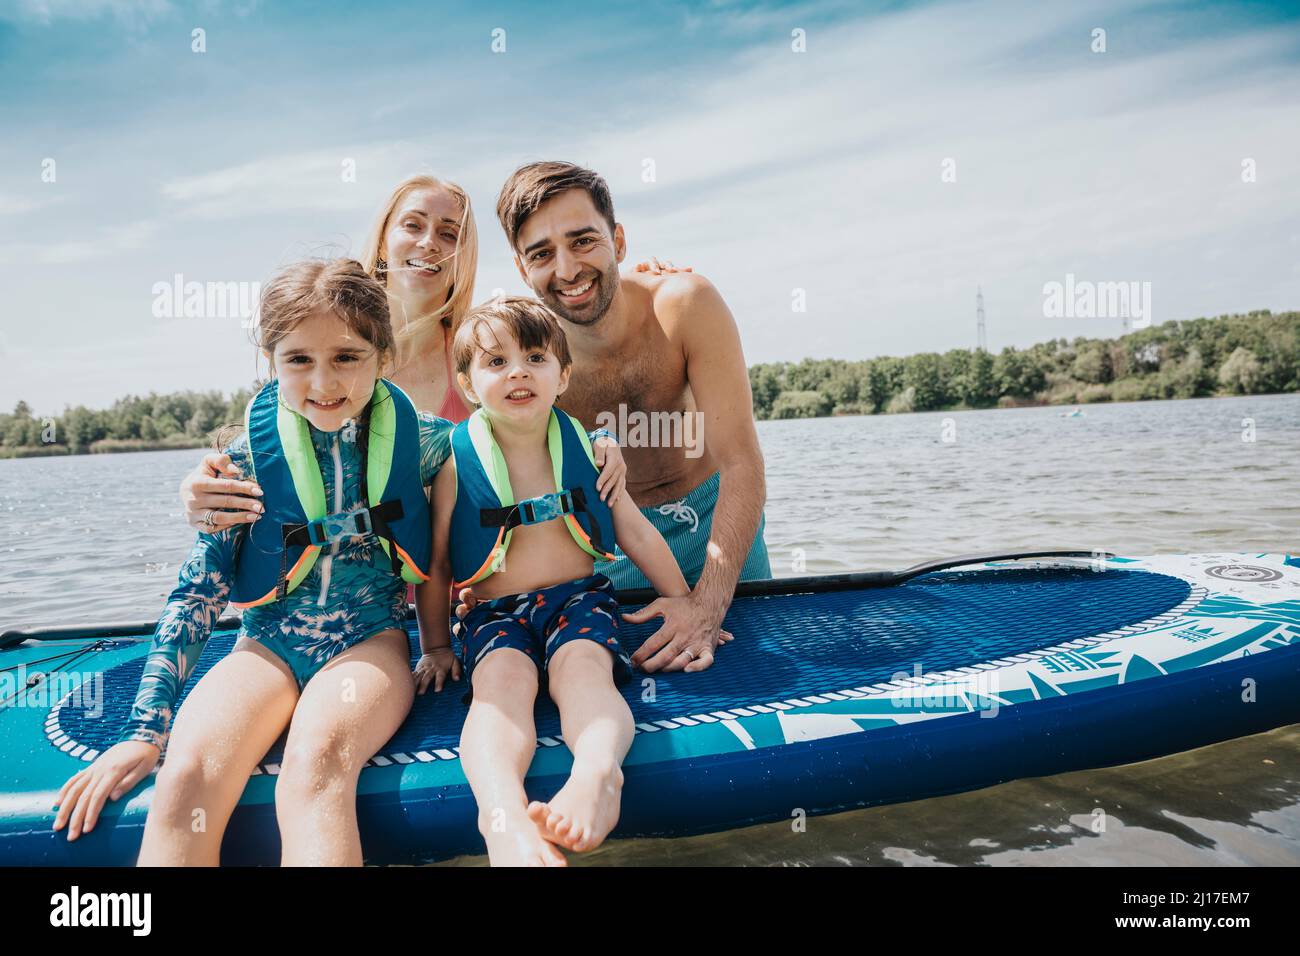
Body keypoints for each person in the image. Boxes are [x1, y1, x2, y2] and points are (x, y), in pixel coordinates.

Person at [50, 260, 628, 863]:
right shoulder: (242, 466)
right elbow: (195, 596)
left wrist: (602, 446)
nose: (324, 380)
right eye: (299, 359)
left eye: (347, 357)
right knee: (185, 778)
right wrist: (145, 733)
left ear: (383, 358)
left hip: (368, 644)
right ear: (271, 363)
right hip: (265, 646)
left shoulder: (426, 440)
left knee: (316, 766)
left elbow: (518, 422)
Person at [415, 297, 691, 865]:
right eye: (496, 362)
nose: (517, 371)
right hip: (493, 614)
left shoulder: (590, 453)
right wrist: (437, 647)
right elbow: (437, 565)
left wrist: (679, 599)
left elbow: (634, 532)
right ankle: (502, 817)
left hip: (577, 600)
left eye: (535, 357)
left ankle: (598, 776)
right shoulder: (453, 465)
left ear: (562, 375)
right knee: (498, 691)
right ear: (467, 385)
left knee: (585, 672)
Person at [491, 161, 770, 674]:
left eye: (583, 241)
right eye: (542, 254)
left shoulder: (687, 305)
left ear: (619, 241)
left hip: (717, 527)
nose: (568, 269)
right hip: (609, 547)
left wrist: (707, 605)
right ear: (521, 269)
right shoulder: (521, 355)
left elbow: (742, 462)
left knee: (756, 671)